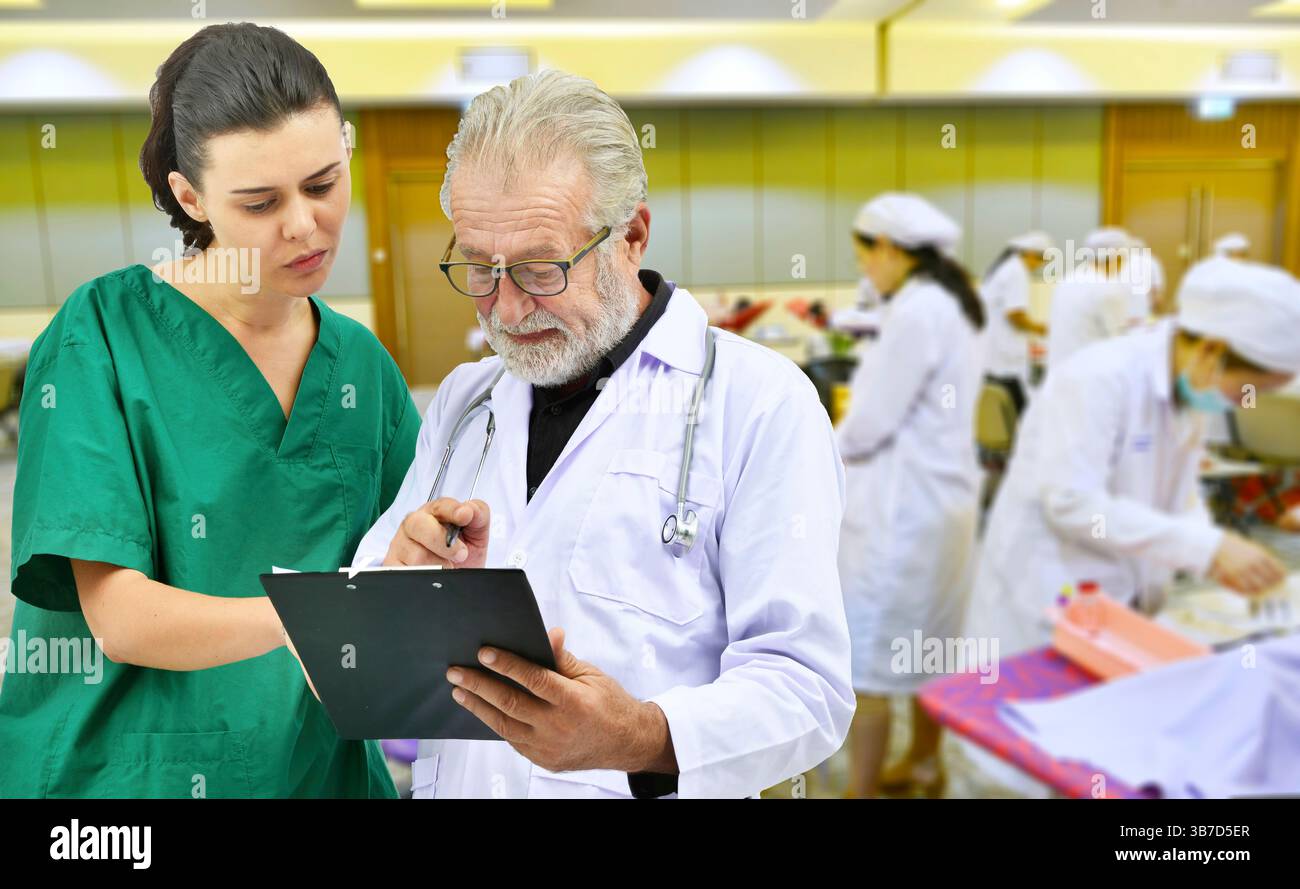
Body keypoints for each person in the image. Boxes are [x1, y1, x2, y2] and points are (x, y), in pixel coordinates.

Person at [351, 70, 853, 799]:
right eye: (478, 268)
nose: (508, 307)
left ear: (632, 236)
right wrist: (398, 581)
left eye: (539, 268)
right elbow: (361, 629)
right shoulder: (464, 403)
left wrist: (637, 737)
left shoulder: (758, 404)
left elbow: (808, 688)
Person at [0, 23, 419, 798]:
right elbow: (121, 617)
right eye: (260, 202)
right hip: (118, 787)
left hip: (311, 774)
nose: (304, 224)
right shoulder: (102, 337)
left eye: (324, 184)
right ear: (190, 197)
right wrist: (315, 617)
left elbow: (402, 570)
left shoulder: (363, 371)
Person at [967, 255, 1299, 661]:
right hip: (1046, 595)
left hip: (1119, 599)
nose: (1246, 403)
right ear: (1211, 351)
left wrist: (1214, 556)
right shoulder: (1099, 378)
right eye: (1249, 388)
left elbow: (1181, 494)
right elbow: (1072, 503)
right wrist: (1204, 546)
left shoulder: (1188, 386)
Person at [835, 194, 985, 798]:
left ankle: (861, 790)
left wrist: (823, 452)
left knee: (873, 659)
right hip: (944, 503)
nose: (865, 271)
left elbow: (870, 423)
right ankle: (925, 765)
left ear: (891, 249)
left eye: (866, 258)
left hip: (902, 511)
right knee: (929, 648)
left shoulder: (917, 312)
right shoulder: (957, 301)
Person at [1046, 227, 1138, 372]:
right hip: (1087, 377)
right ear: (1117, 257)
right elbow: (1119, 341)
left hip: (1058, 372)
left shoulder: (1067, 280)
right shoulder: (1108, 288)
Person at [980, 231, 1052, 414]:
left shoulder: (1006, 268)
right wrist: (1042, 329)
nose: (1039, 266)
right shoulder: (1017, 271)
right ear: (1028, 254)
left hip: (993, 353)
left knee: (998, 408)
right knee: (1015, 411)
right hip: (1005, 357)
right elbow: (1015, 315)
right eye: (1040, 260)